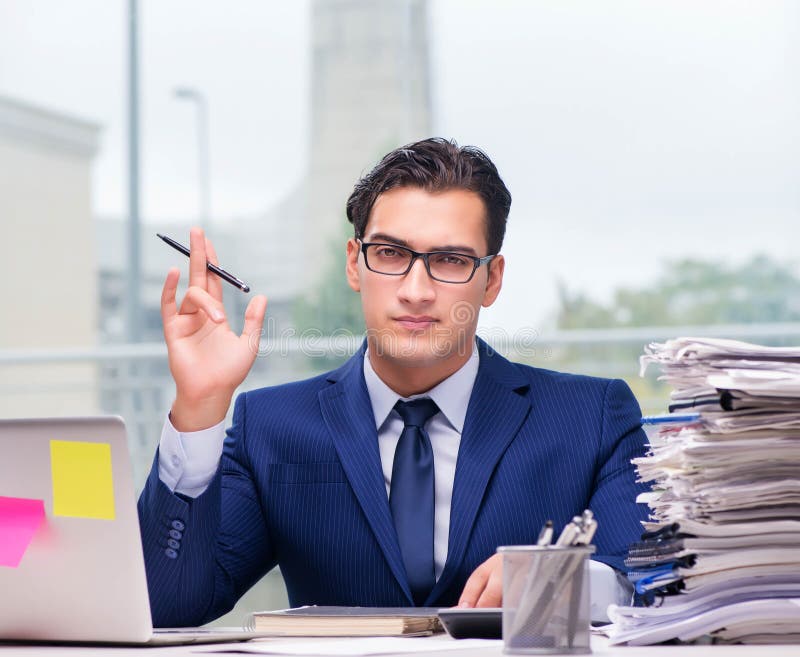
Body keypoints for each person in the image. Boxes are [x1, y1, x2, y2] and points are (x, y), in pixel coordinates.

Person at [137, 138, 649, 627]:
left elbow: (651, 585)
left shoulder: (593, 417)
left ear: (491, 280)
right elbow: (170, 604)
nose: (416, 291)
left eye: (450, 260)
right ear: (354, 264)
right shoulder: (269, 427)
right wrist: (200, 406)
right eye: (389, 254)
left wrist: (554, 583)